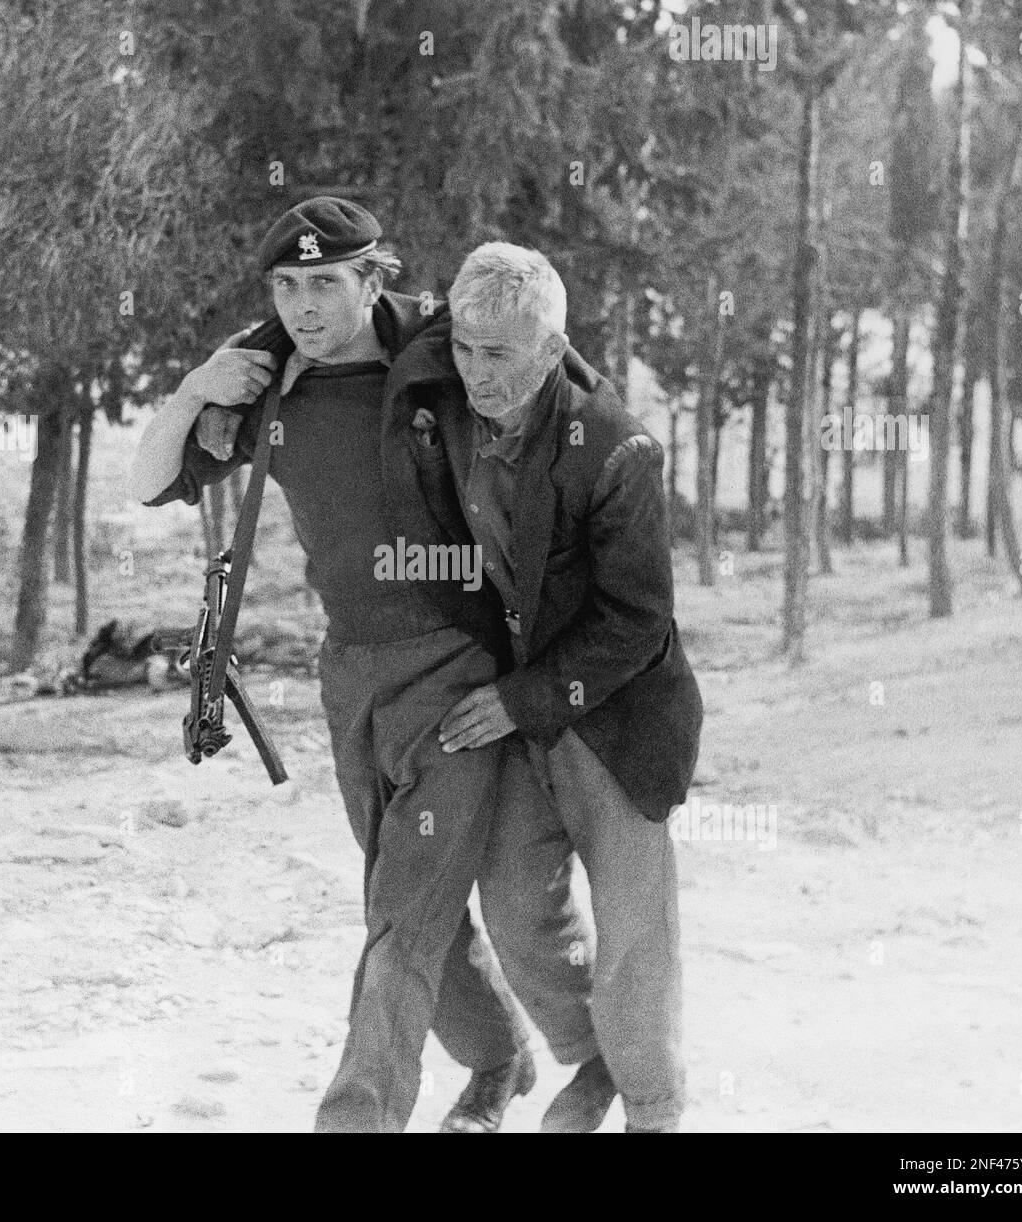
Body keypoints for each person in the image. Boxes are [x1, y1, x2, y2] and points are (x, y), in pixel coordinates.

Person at [130, 199, 588, 1132]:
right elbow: (148, 481)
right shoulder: (263, 379)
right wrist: (193, 391)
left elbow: (576, 396)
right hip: (350, 673)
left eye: (326, 282)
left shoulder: (443, 344)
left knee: (406, 907)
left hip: (459, 667)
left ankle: (358, 1116)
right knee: (405, 898)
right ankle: (498, 1059)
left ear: (371, 279)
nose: (304, 304)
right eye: (287, 285)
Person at [387, 241, 704, 1132]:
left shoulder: (616, 449)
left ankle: (652, 1105)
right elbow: (357, 305)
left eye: (502, 357)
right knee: (518, 906)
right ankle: (595, 1061)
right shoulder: (451, 375)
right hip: (523, 708)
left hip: (621, 718)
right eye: (466, 351)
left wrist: (526, 700)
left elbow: (639, 621)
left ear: (552, 347)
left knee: (635, 940)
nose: (477, 375)